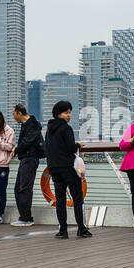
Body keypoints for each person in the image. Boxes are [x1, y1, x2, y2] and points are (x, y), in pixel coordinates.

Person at [44, 100, 91, 239]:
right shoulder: (66, 128)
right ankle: (81, 229)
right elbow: (70, 147)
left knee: (60, 199)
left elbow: (48, 148)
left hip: (54, 168)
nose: (69, 115)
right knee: (77, 198)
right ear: (59, 114)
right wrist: (78, 144)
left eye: (70, 112)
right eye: (66, 112)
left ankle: (63, 230)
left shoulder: (49, 129)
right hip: (68, 168)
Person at [10, 104, 45, 226]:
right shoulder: (26, 125)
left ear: (19, 113)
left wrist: (16, 149)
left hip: (30, 159)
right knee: (18, 188)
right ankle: (23, 217)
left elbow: (27, 142)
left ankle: (26, 218)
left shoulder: (32, 124)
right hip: (25, 158)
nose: (13, 117)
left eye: (14, 114)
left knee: (25, 188)